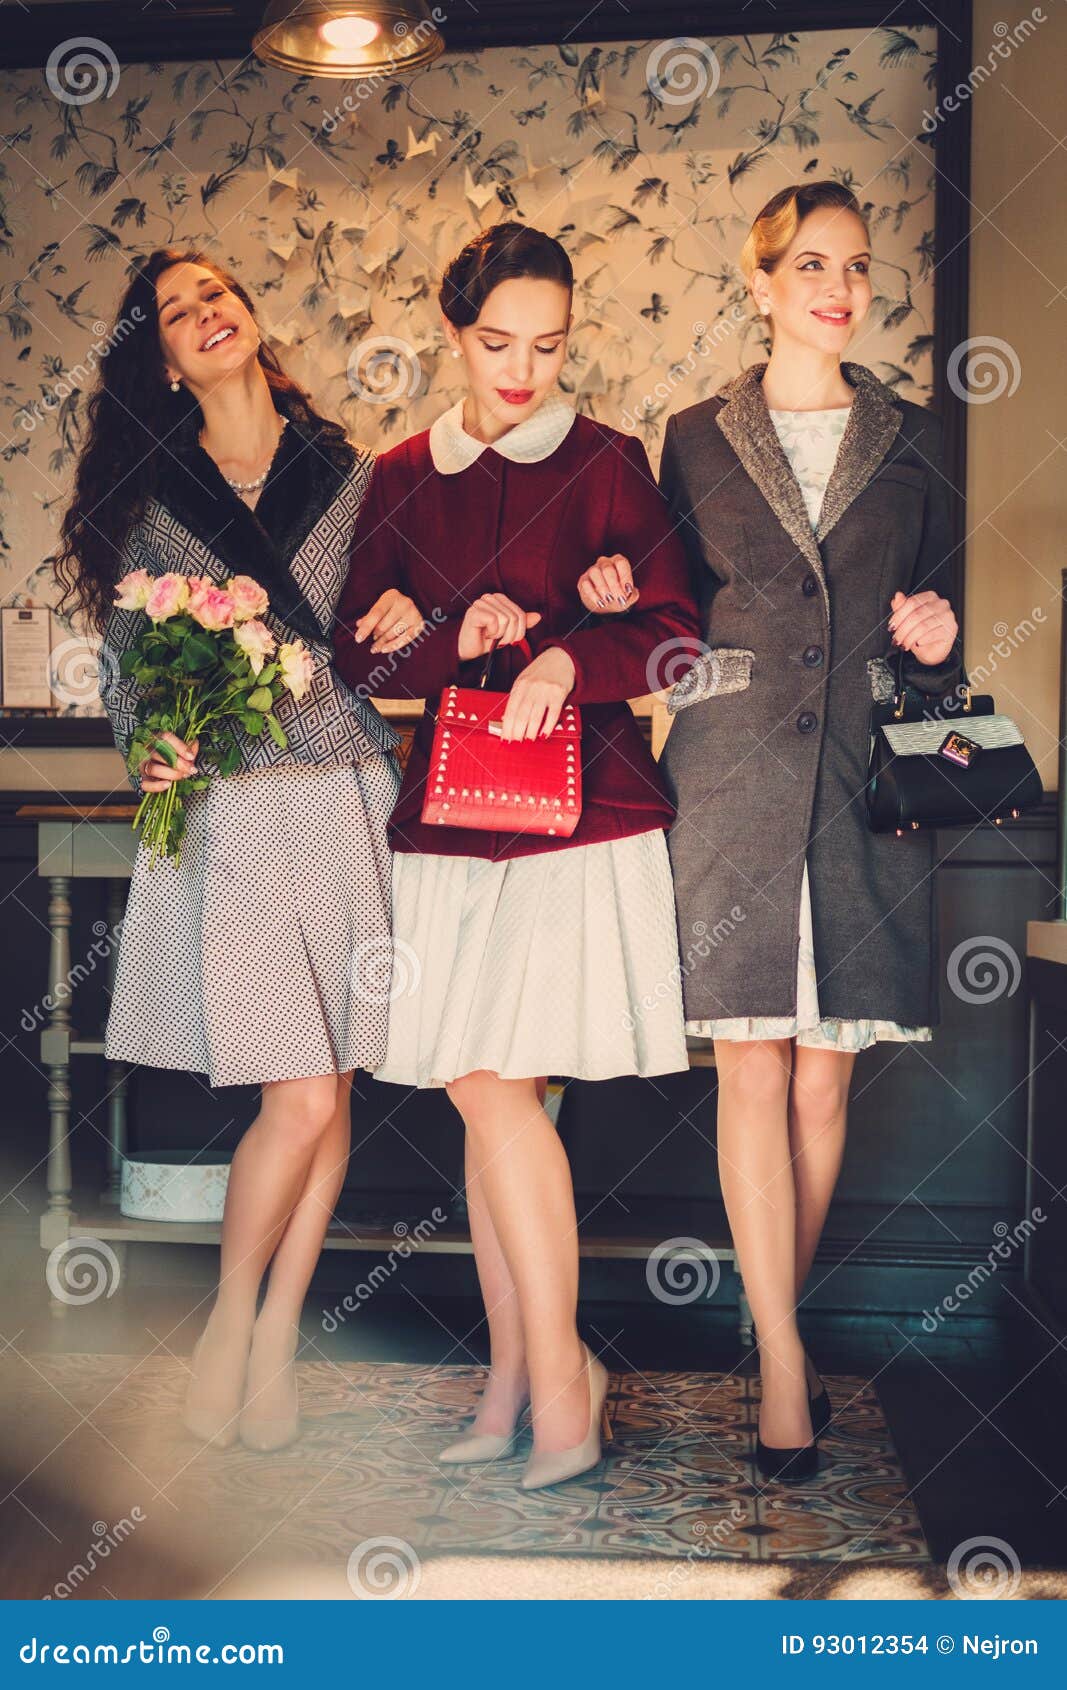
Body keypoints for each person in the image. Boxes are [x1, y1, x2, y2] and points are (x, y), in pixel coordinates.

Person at [332, 222, 701, 1490]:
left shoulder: (608, 461)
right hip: (448, 822)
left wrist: (560, 656)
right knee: (486, 1099)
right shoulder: (396, 473)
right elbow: (353, 657)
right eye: (496, 343)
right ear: (455, 332)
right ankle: (526, 1380)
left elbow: (675, 638)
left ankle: (555, 1391)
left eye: (546, 347)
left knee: (498, 1095)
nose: (520, 370)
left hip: (579, 820)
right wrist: (451, 636)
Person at [55, 249, 422, 1454]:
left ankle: (271, 1343)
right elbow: (127, 676)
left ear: (249, 317)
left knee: (331, 1083)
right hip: (238, 810)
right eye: (176, 311)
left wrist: (408, 620)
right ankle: (229, 1327)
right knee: (299, 1091)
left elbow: (396, 628)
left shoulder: (354, 473)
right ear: (163, 362)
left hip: (352, 792)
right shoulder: (155, 504)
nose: (204, 312)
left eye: (216, 293)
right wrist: (148, 746)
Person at [653, 181, 962, 1481]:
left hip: (857, 787)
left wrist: (937, 637)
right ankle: (783, 1361)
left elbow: (938, 635)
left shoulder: (916, 441)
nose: (839, 289)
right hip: (727, 784)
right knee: (750, 1071)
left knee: (821, 1079)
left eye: (855, 267)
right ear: (762, 283)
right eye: (812, 265)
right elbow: (664, 624)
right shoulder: (690, 440)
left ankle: (764, 1316)